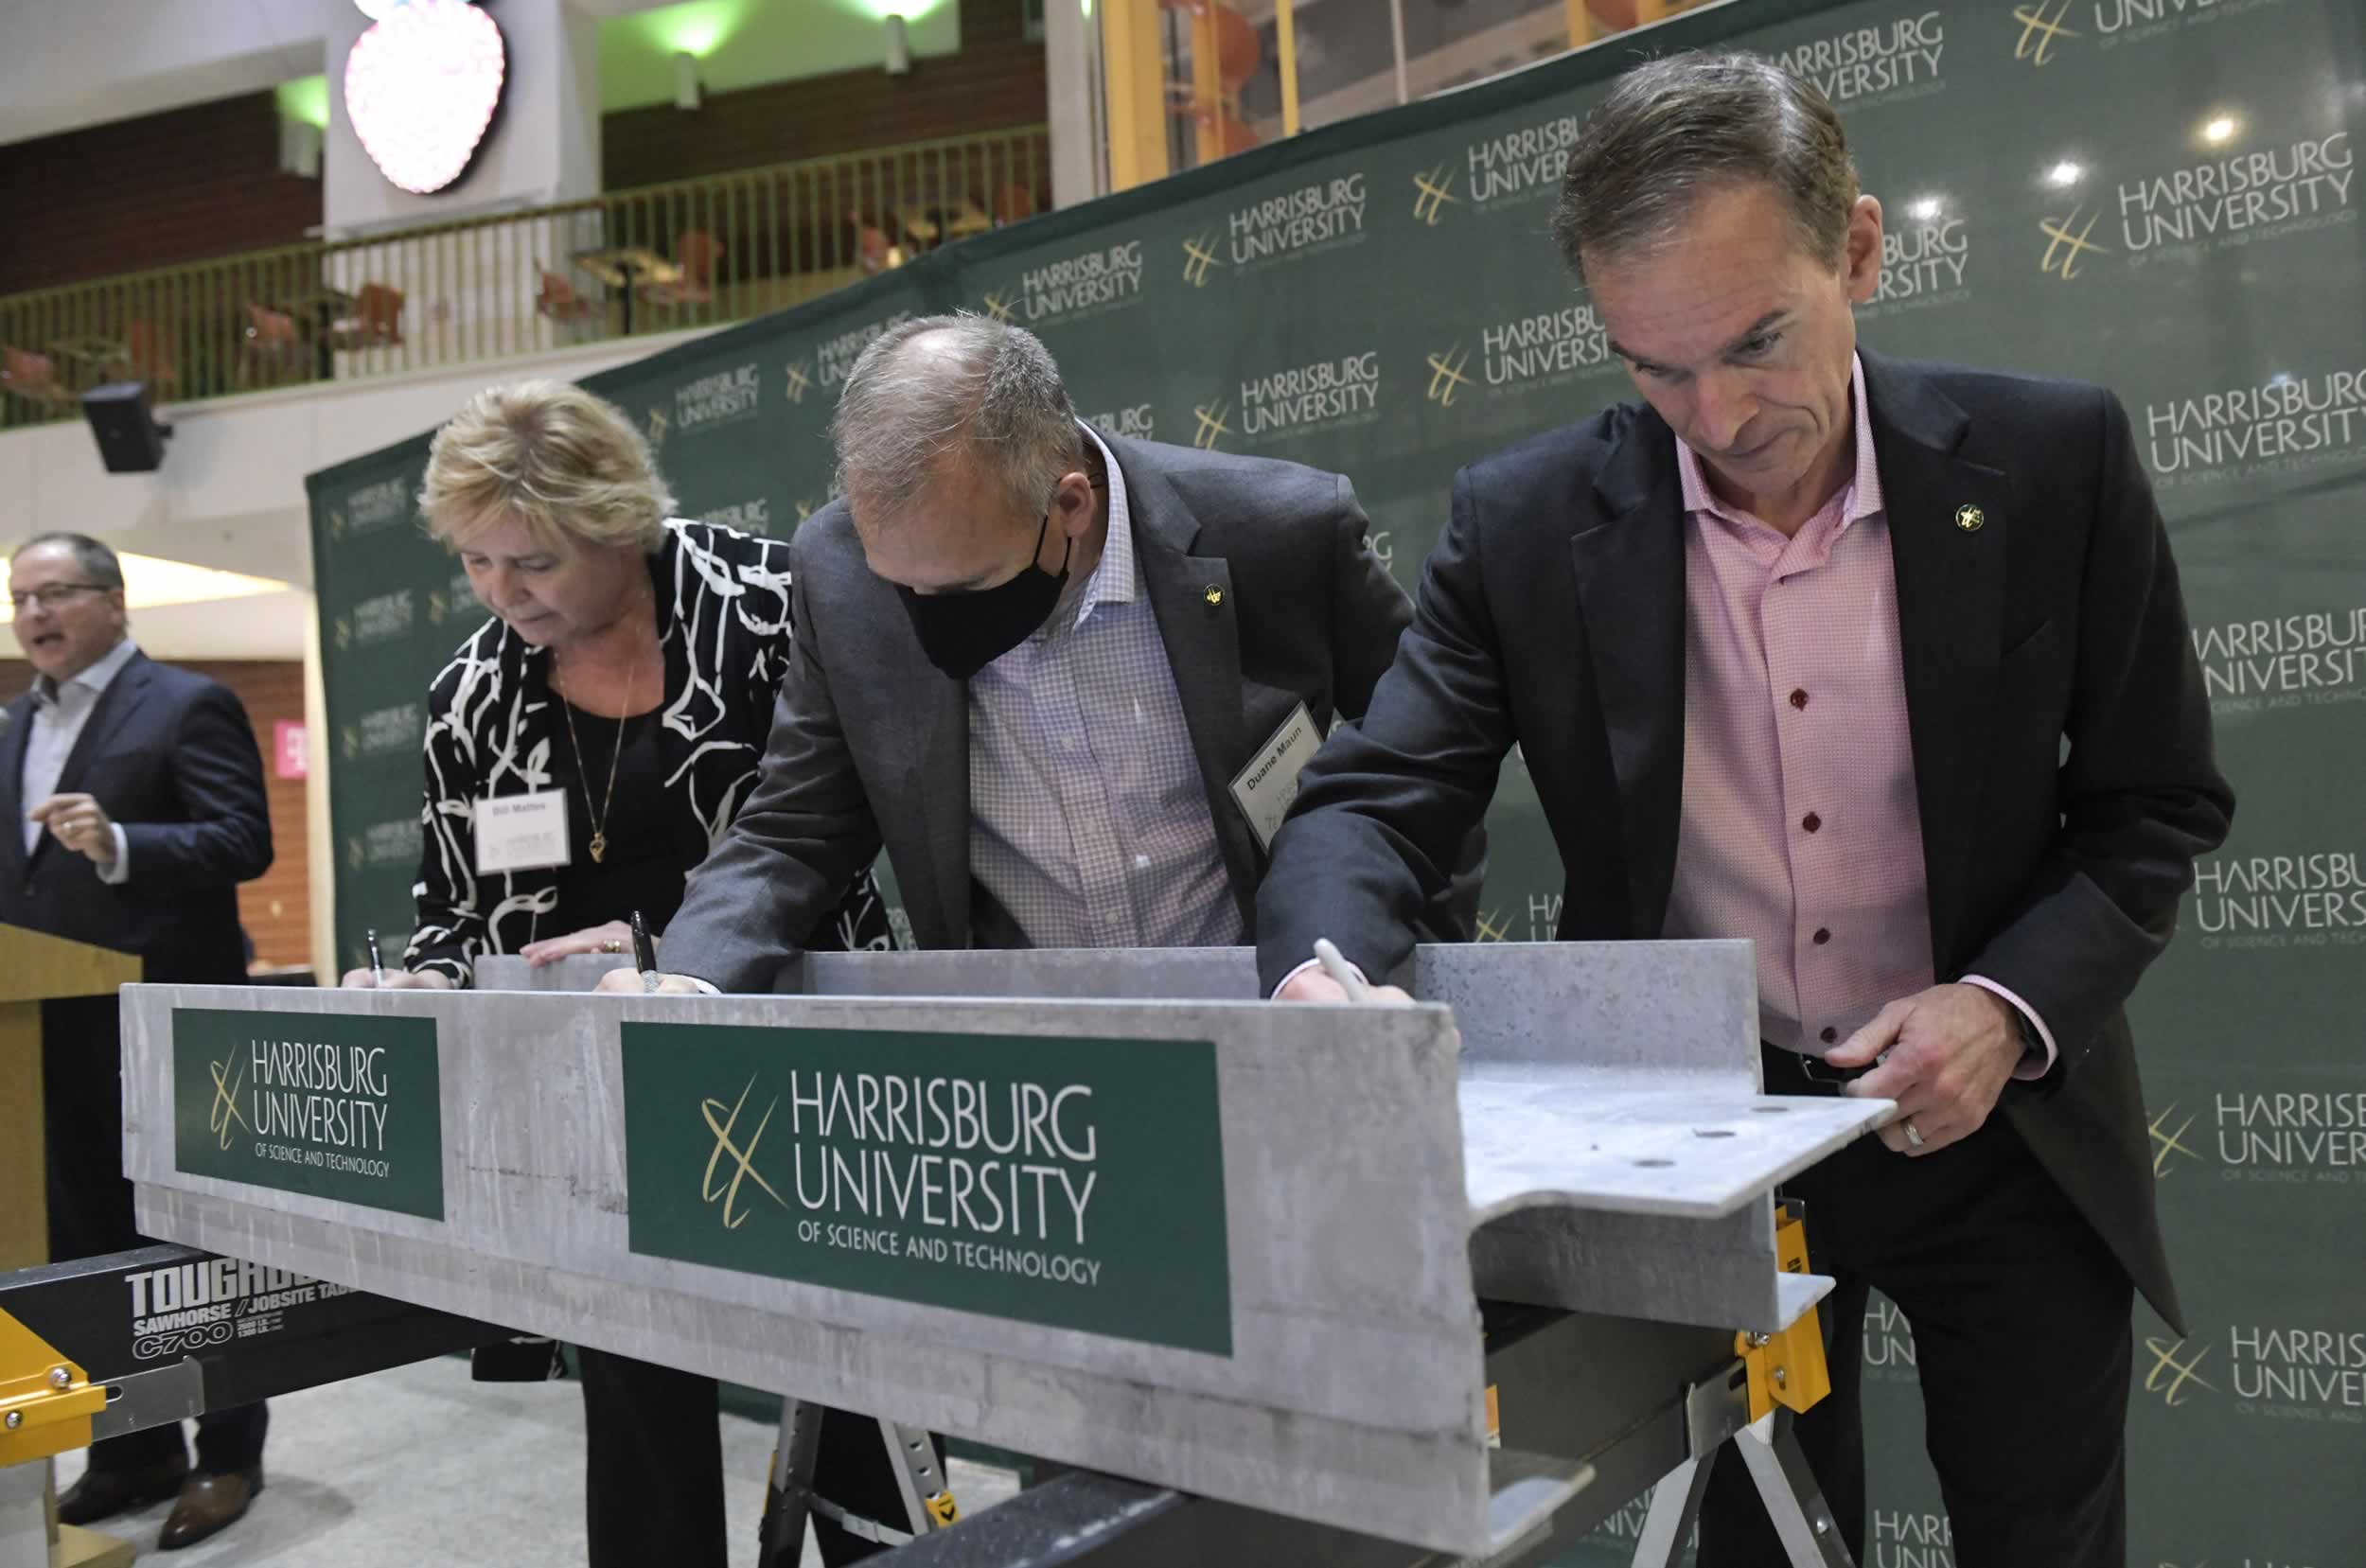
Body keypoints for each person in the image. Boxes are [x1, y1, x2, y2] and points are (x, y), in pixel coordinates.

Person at [1257, 52, 2234, 1568]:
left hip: (2005, 1129)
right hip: (1703, 1139)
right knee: (1757, 1549)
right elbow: (1376, 802)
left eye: (1756, 342)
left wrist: (2001, 1005)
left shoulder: (2050, 463)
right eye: (1653, 367)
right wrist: (1322, 974)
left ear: (1855, 246)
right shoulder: (1525, 527)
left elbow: (2154, 802)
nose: (1714, 413)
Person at [337, 380, 899, 1567]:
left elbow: (840, 834)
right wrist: (430, 983)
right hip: (599, 1103)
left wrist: (660, 949)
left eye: (532, 562)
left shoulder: (766, 610)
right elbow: (455, 909)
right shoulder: (471, 697)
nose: (504, 594)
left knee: (856, 1382)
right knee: (637, 1401)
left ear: (616, 524)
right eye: (477, 564)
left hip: (796, 1058)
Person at [609, 311, 1479, 997]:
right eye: (897, 583)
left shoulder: (1279, 535)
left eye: (961, 586)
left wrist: (1386, 967)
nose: (920, 615)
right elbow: (798, 825)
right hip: (1032, 1074)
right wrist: (684, 975)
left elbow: (1417, 765)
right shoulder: (840, 575)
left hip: (1277, 1017)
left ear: (1069, 503)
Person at [2, 532, 274, 1550]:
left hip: (166, 1024)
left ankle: (229, 1452)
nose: (34, 614)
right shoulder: (14, 722)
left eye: (55, 593)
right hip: (43, 1033)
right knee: (81, 1248)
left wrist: (120, 842)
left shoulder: (185, 702)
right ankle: (130, 1447)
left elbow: (245, 838)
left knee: (196, 1241)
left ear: (114, 599)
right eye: (21, 597)